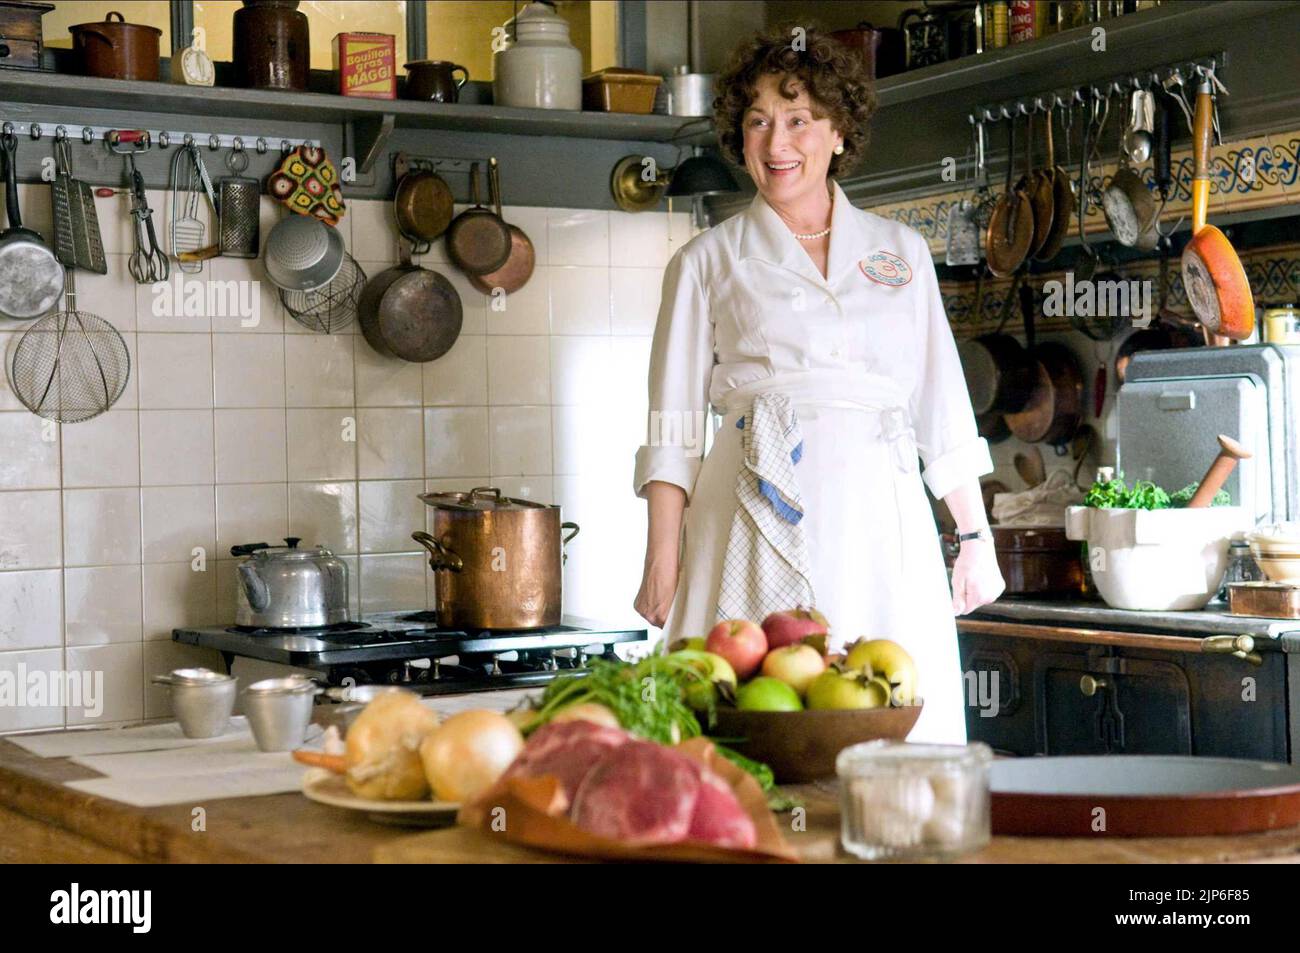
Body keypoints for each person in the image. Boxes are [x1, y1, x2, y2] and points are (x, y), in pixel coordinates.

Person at [631, 25, 1005, 743]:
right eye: (758, 121)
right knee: (750, 713)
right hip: (746, 511)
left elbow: (940, 403)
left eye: (799, 120)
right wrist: (661, 557)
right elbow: (672, 432)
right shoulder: (706, 262)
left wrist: (975, 535)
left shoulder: (900, 253)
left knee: (889, 702)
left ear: (838, 134)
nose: (777, 143)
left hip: (881, 512)